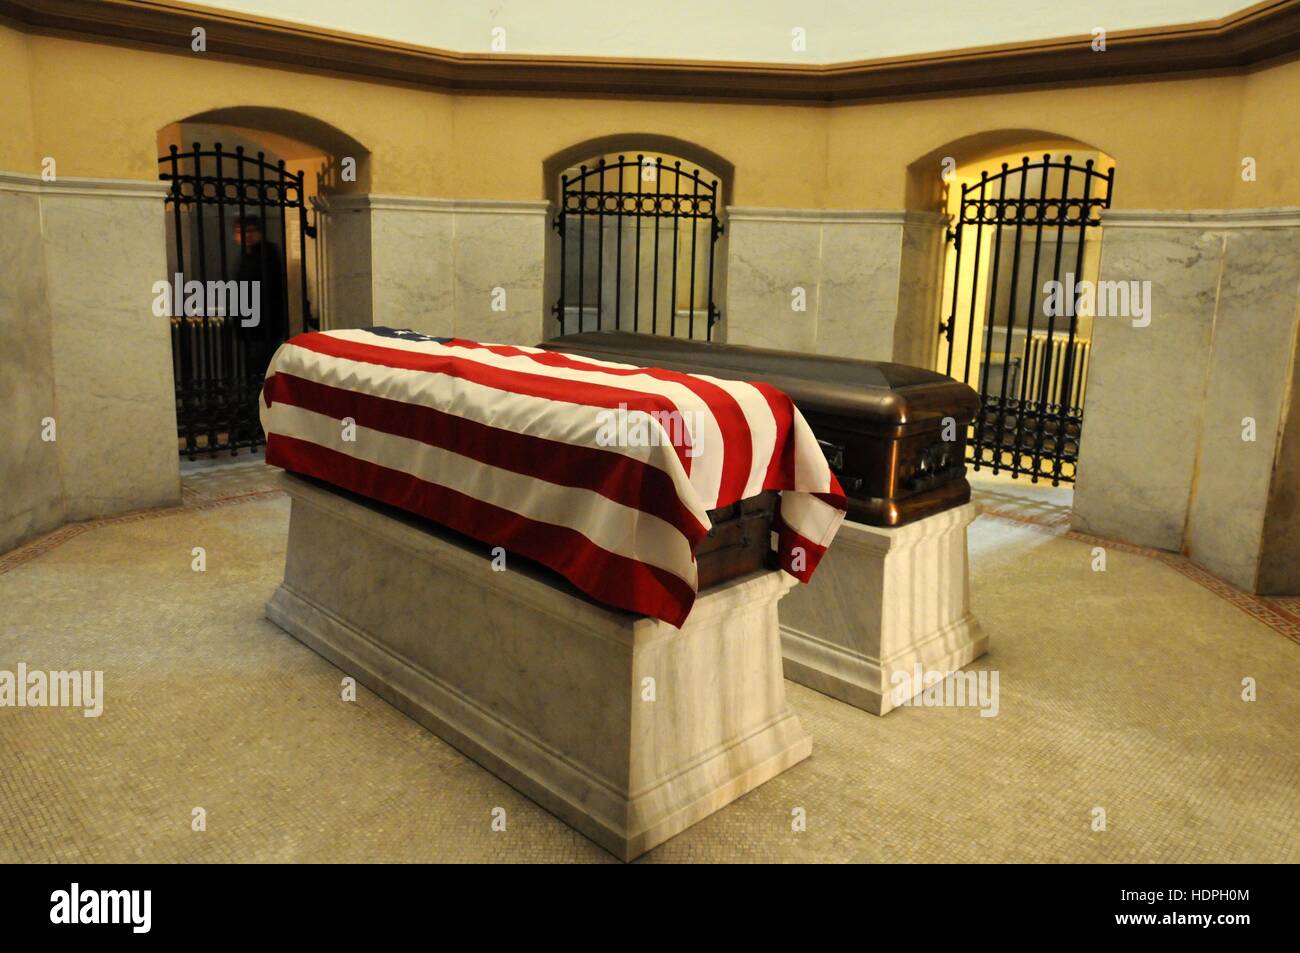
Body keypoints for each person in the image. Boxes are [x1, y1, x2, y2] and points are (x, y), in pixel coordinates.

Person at [233, 214, 288, 374]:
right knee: (256, 367)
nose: (246, 236)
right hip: (251, 324)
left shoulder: (267, 254)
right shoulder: (246, 256)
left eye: (250, 231)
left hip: (264, 325)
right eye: (240, 232)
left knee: (262, 368)